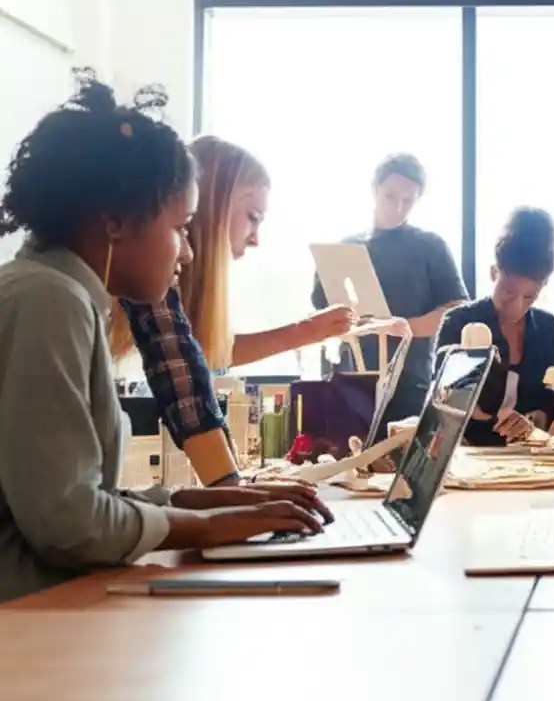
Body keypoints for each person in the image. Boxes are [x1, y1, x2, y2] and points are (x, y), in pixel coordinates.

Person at [0, 72, 331, 602]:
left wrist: (210, 503)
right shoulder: (50, 301)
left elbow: (79, 498)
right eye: (181, 227)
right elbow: (68, 522)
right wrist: (204, 527)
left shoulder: (54, 292)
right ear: (114, 222)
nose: (188, 252)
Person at [104, 135, 357, 486]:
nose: (255, 238)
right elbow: (187, 390)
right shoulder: (122, 279)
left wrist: (234, 492)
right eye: (253, 218)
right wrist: (233, 494)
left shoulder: (157, 286)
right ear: (209, 208)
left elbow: (196, 356)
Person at [311, 153, 468, 431]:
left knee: (402, 466)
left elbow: (457, 311)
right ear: (375, 190)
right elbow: (320, 314)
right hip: (350, 383)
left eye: (408, 201)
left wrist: (405, 327)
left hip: (410, 385)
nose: (398, 207)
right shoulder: (344, 249)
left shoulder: (430, 246)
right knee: (351, 469)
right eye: (390, 196)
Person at [437, 207, 554, 446]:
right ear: (494, 273)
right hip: (465, 451)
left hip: (525, 453)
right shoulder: (459, 322)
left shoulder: (548, 329)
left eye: (529, 297)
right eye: (508, 293)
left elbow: (549, 400)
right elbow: (443, 404)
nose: (516, 307)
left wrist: (532, 422)